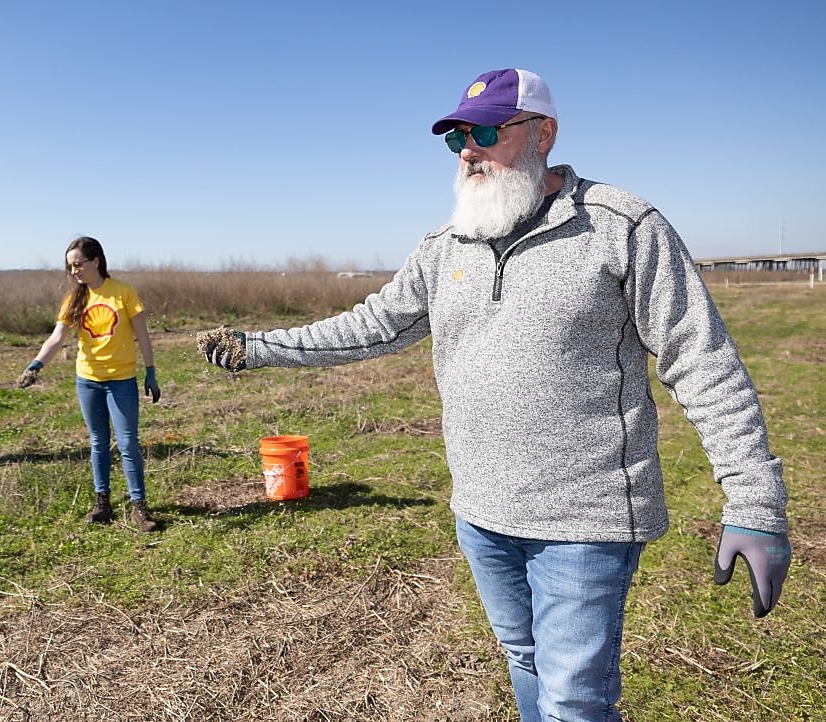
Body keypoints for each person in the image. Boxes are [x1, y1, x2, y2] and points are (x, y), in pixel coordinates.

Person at [196, 68, 790, 721]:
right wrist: (257, 347)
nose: (468, 152)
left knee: (573, 700)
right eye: (457, 139)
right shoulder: (444, 246)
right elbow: (372, 327)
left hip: (585, 521)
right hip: (481, 513)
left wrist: (754, 503)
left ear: (544, 133)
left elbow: (701, 359)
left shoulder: (621, 226)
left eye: (485, 134)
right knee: (524, 660)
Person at [16, 236, 162, 533]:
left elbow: (143, 335)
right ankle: (102, 503)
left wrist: (150, 371)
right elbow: (57, 338)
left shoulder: (123, 292)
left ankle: (139, 507)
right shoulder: (74, 299)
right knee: (98, 442)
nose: (74, 271)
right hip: (88, 381)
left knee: (128, 443)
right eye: (70, 267)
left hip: (121, 380)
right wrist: (36, 365)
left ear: (96, 261)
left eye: (79, 264)